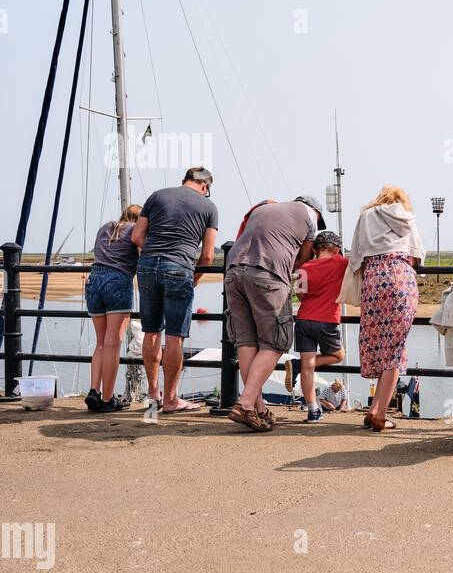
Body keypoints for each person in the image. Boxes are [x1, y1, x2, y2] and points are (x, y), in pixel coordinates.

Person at [223, 196, 325, 432]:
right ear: (316, 212)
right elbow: (304, 259)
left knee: (247, 343)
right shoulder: (310, 216)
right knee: (275, 342)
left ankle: (257, 409)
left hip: (233, 271)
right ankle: (246, 404)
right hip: (268, 273)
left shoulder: (264, 208)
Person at [130, 166, 218, 413]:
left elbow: (137, 237)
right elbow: (208, 255)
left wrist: (157, 250)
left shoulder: (157, 195)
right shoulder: (208, 208)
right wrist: (196, 278)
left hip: (147, 265)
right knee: (174, 336)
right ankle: (170, 400)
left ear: (184, 180)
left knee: (151, 332)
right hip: (179, 267)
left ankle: (152, 394)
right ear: (205, 186)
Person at [348, 185, 425, 432]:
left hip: (374, 278)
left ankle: (373, 410)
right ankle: (381, 414)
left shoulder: (366, 216)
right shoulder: (406, 217)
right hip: (401, 276)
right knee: (395, 348)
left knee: (378, 342)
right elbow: (416, 255)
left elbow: (356, 255)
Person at [84, 204, 141, 413]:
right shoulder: (136, 231)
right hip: (118, 280)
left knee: (100, 343)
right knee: (113, 344)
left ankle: (94, 390)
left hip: (94, 279)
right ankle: (108, 399)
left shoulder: (106, 227)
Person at [294, 230, 349, 423]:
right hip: (327, 320)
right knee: (338, 355)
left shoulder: (304, 267)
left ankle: (313, 411)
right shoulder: (342, 263)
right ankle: (298, 365)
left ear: (316, 249)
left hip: (303, 319)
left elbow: (300, 295)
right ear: (337, 249)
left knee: (306, 366)